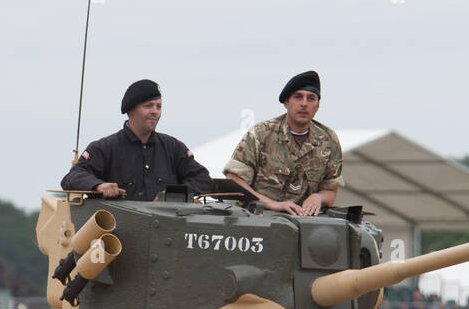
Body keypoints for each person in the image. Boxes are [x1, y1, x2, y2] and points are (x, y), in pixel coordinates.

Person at [61, 79, 212, 200]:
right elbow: (72, 177)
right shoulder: (105, 148)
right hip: (117, 233)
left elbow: (203, 179)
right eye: (148, 106)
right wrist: (99, 186)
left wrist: (174, 195)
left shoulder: (173, 148)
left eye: (159, 106)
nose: (155, 112)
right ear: (130, 110)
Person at [223, 70, 343, 216]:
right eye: (298, 97)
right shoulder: (261, 134)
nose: (304, 104)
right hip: (258, 217)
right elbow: (234, 181)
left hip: (303, 222)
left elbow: (330, 190)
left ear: (317, 106)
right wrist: (271, 204)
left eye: (311, 98)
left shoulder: (328, 140)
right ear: (286, 102)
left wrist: (318, 197)